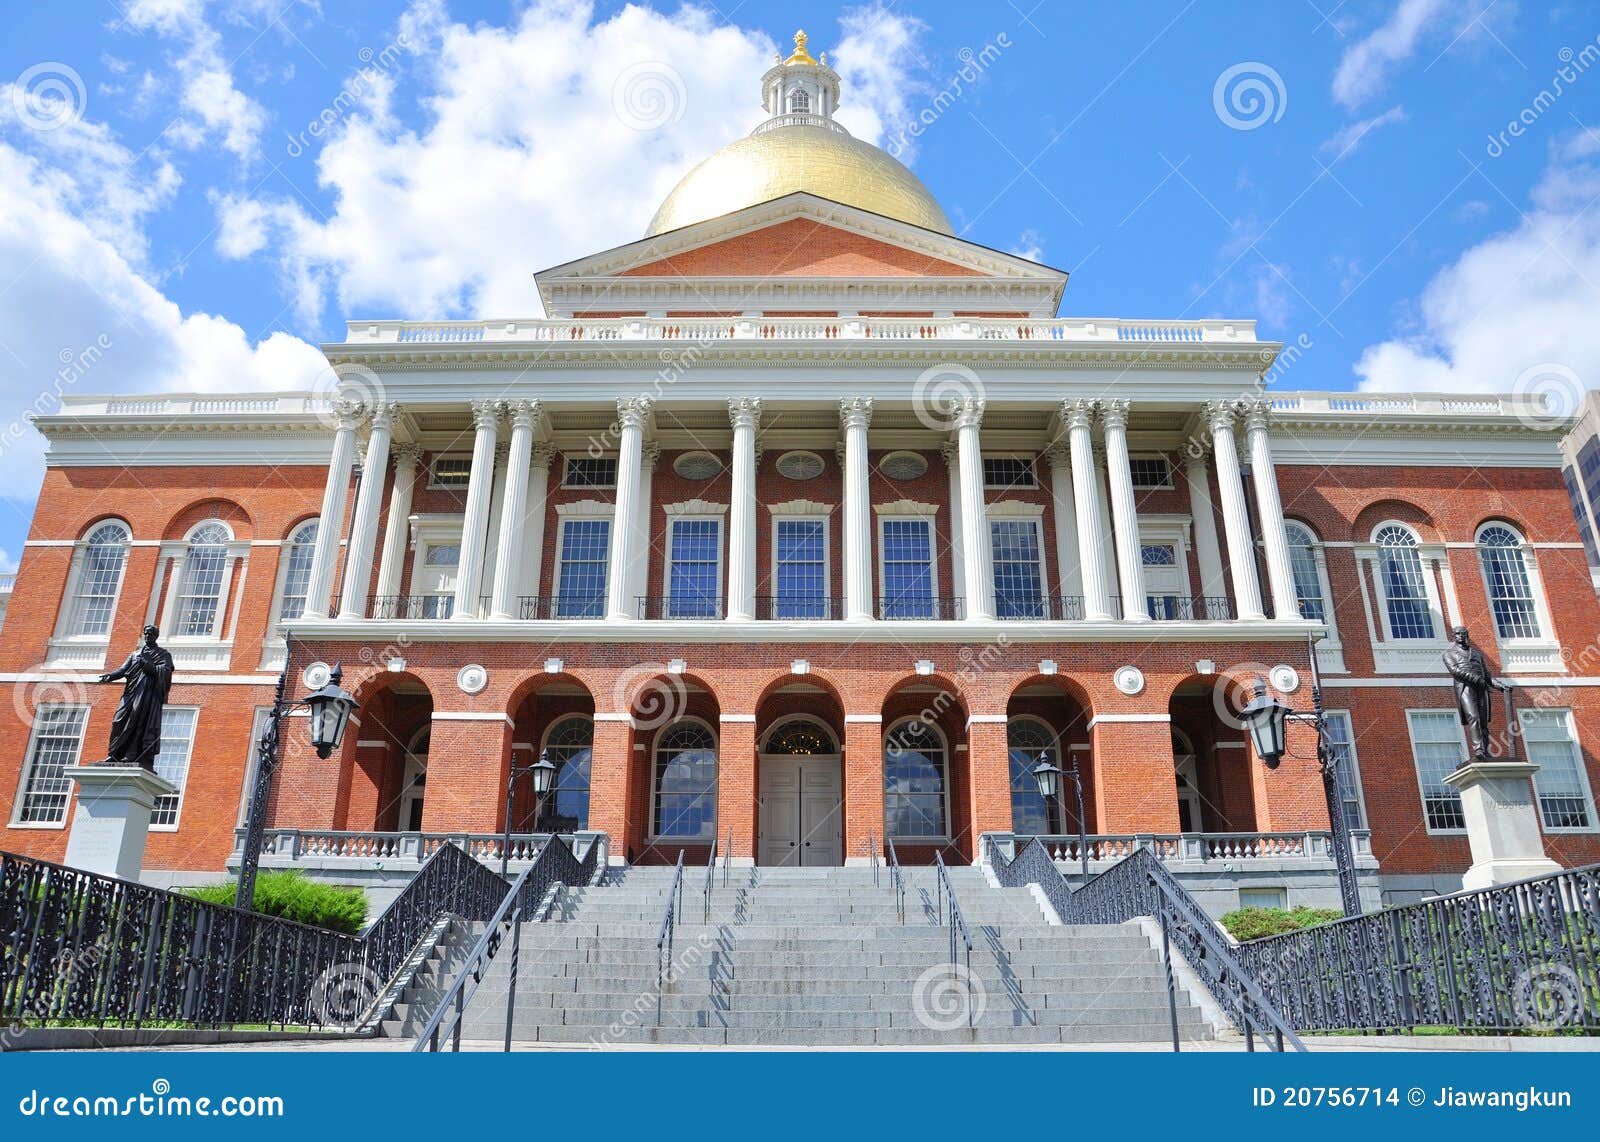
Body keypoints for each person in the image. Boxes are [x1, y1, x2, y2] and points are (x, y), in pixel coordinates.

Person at [95, 625, 175, 770]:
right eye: (146, 634)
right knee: (118, 721)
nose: (147, 636)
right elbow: (123, 670)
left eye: (150, 634)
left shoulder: (163, 654)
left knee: (137, 723)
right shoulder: (135, 654)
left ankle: (131, 755)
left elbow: (165, 672)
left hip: (147, 695)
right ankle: (114, 754)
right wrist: (110, 676)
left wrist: (149, 666)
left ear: (156, 636)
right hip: (130, 692)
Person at [1442, 625, 1509, 761]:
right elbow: (1455, 671)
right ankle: (1478, 749)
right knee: (1473, 717)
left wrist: (1500, 686)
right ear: (1453, 637)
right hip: (1465, 687)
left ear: (1467, 635)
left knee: (1483, 721)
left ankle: (1486, 750)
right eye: (1457, 634)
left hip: (1481, 688)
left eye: (1463, 633)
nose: (1460, 636)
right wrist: (1475, 679)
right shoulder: (1448, 654)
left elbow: (1487, 674)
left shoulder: (1477, 654)